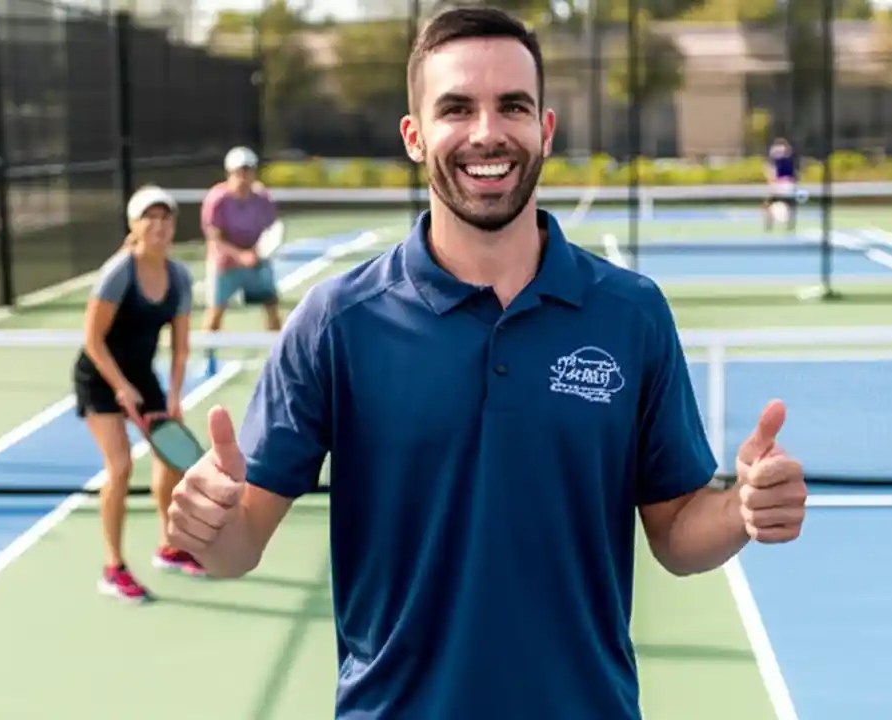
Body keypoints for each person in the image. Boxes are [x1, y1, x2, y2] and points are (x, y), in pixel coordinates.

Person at [167, 7, 808, 718]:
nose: (486, 133)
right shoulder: (336, 322)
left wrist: (742, 512)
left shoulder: (631, 314)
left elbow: (678, 535)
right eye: (455, 109)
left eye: (512, 106)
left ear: (545, 129)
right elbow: (240, 543)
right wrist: (208, 527)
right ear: (415, 136)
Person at [73, 185, 203, 603]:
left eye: (166, 219)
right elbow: (93, 339)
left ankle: (169, 544)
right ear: (134, 225)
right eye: (151, 217)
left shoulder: (180, 276)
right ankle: (114, 567)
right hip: (98, 376)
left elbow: (181, 347)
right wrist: (120, 387)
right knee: (121, 467)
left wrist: (174, 397)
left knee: (172, 458)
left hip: (142, 377)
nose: (160, 226)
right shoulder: (118, 272)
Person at [200, 146, 282, 337]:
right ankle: (208, 361)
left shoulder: (262, 198)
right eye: (239, 172)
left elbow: (271, 229)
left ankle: (281, 356)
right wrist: (240, 256)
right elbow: (214, 237)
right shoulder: (217, 199)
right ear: (229, 173)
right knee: (214, 315)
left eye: (248, 171)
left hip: (256, 263)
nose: (243, 177)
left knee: (272, 307)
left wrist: (256, 252)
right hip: (224, 265)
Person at [763, 137, 798, 231]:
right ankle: (772, 225)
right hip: (779, 186)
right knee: (769, 204)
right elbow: (771, 174)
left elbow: (792, 175)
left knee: (771, 204)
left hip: (785, 186)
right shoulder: (775, 161)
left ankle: (771, 226)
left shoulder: (787, 161)